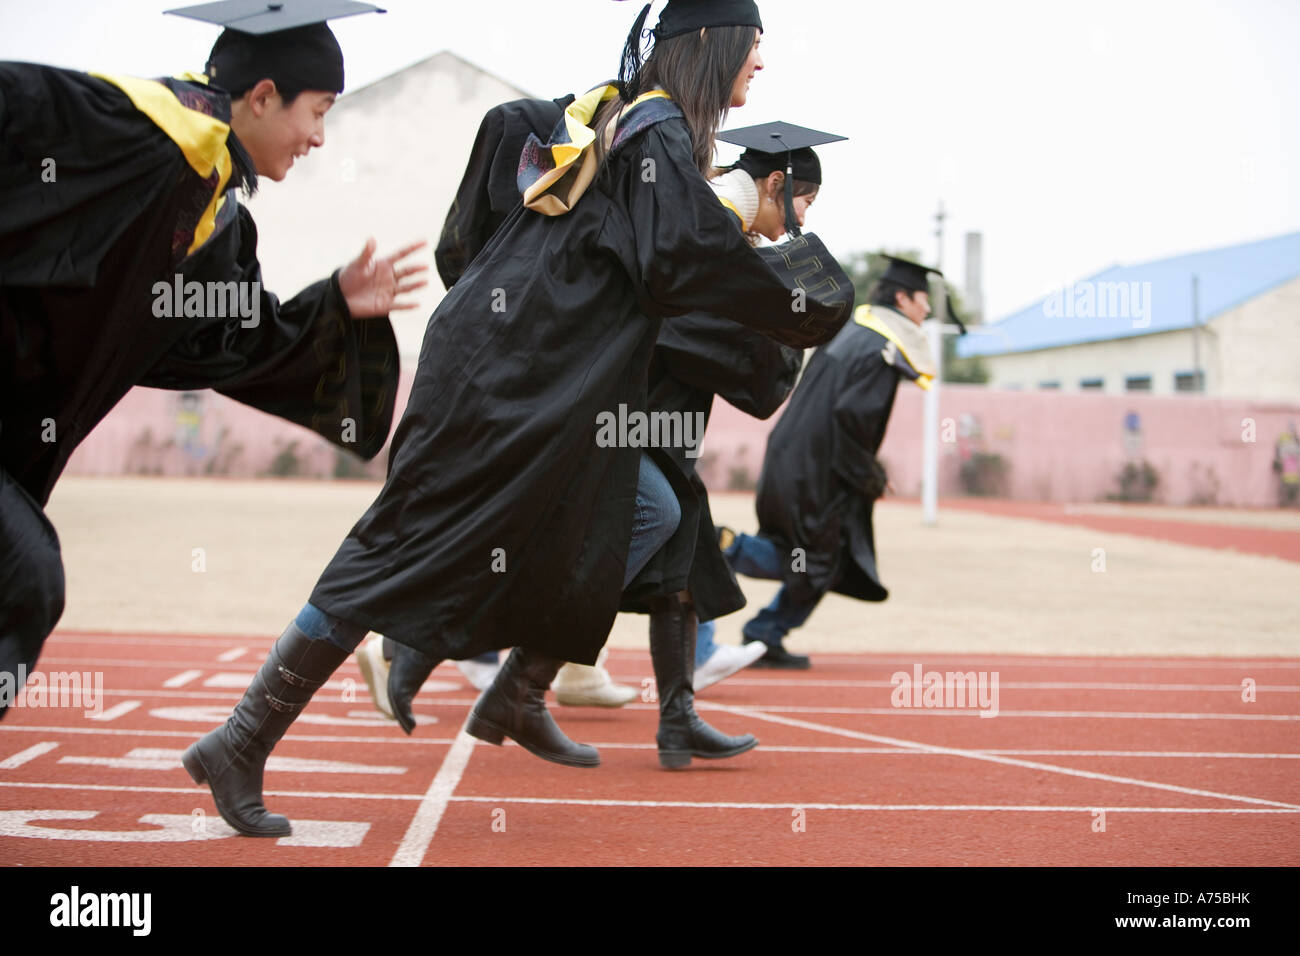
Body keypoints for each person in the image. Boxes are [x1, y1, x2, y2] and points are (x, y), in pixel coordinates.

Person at [185, 0, 857, 836]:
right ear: (712, 46)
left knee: (646, 511)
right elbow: (682, 261)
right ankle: (242, 739)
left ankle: (517, 689)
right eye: (754, 49)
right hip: (504, 382)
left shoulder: (633, 122)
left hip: (545, 386)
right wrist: (804, 276)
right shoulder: (651, 133)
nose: (759, 66)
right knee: (390, 550)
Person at [0, 0, 426, 716]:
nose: (320, 137)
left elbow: (231, 342)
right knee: (23, 578)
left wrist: (334, 306)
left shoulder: (214, 223)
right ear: (262, 98)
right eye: (317, 112)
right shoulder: (129, 127)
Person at [722, 255, 945, 668]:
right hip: (816, 472)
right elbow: (851, 421)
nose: (927, 309)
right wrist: (870, 476)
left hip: (794, 459)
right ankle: (727, 550)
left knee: (817, 556)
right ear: (901, 297)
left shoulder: (851, 332)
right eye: (922, 299)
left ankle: (765, 633)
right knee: (813, 560)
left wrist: (868, 473)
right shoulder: (879, 349)